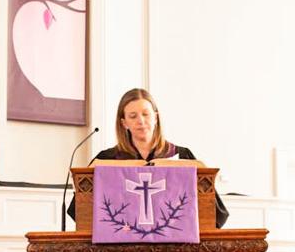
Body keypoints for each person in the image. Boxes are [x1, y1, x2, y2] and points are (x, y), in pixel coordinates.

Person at [68, 88, 229, 228]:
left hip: (176, 248)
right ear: (124, 123)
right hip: (120, 247)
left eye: (146, 114)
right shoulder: (106, 160)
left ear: (156, 117)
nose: (141, 121)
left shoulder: (182, 157)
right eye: (133, 116)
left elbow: (214, 212)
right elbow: (81, 211)